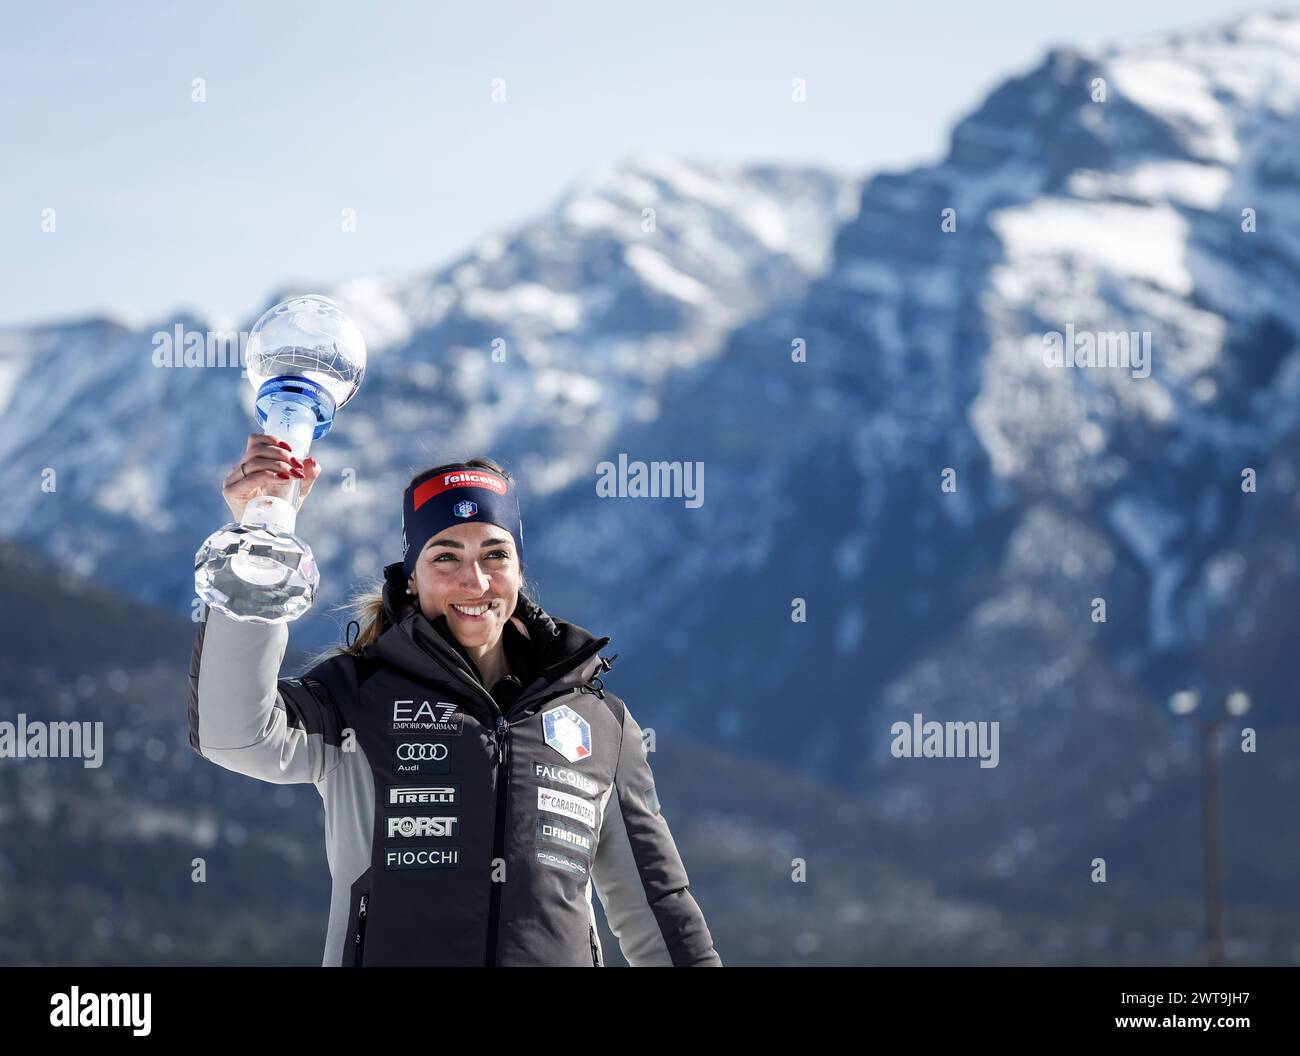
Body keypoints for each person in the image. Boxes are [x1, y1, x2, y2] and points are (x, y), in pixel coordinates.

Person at [187, 434, 722, 967]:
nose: (475, 579)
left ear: (518, 571)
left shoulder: (599, 722)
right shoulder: (357, 696)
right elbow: (233, 733)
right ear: (412, 579)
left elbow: (660, 914)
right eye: (445, 556)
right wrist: (257, 541)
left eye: (496, 554)